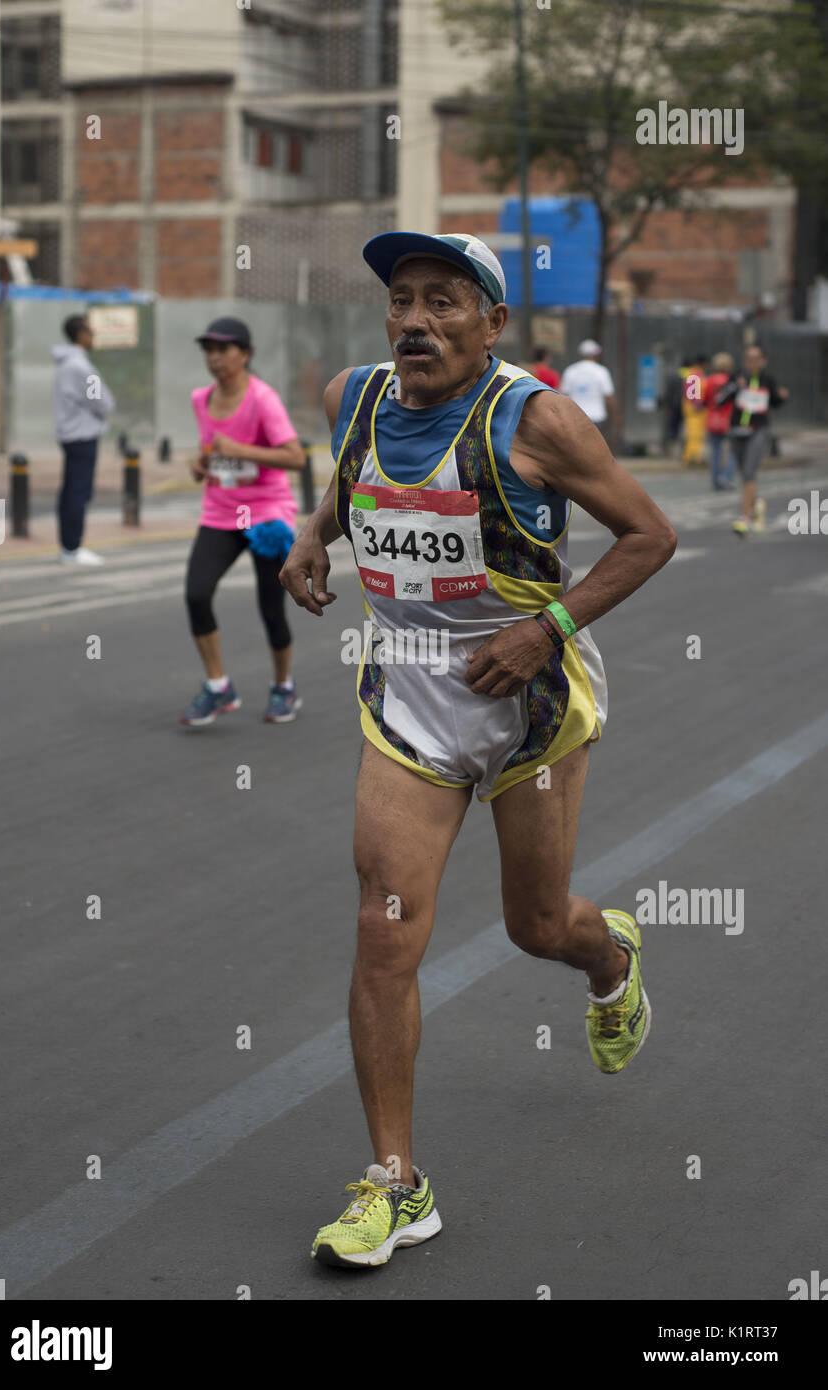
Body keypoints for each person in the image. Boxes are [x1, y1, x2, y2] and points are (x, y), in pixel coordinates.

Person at [280, 231, 676, 1269]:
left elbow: (648, 534)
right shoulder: (351, 398)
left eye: (444, 303)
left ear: (492, 324)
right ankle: (395, 1183)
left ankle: (612, 956)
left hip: (528, 702)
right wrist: (316, 531)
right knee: (382, 927)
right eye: (403, 301)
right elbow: (349, 476)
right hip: (408, 694)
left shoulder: (534, 418)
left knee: (537, 925)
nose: (416, 321)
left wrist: (546, 624)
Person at [180, 315, 306, 727]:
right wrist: (201, 465)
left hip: (266, 513)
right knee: (197, 593)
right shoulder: (201, 398)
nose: (214, 358)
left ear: (245, 354)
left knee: (271, 607)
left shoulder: (262, 399)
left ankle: (283, 686)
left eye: (223, 349)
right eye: (209, 350)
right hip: (220, 510)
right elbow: (213, 452)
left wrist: (242, 449)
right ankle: (218, 687)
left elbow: (295, 457)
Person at [52, 315, 115, 565]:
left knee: (70, 491)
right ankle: (72, 548)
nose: (93, 336)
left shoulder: (67, 364)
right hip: (82, 434)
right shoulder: (80, 366)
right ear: (80, 334)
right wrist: (107, 402)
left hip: (71, 434)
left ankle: (68, 546)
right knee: (78, 492)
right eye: (90, 331)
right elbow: (101, 401)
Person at [714, 343, 789, 536]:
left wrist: (782, 396)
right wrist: (734, 387)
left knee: (749, 473)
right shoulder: (737, 376)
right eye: (748, 359)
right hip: (737, 431)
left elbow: (776, 402)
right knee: (744, 474)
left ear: (763, 361)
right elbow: (719, 400)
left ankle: (744, 519)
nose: (751, 363)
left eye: (755, 359)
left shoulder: (767, 379)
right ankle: (756, 506)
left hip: (758, 431)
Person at [559, 338, 617, 445]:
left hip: (576, 416)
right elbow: (608, 397)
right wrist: (614, 414)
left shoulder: (570, 370)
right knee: (597, 448)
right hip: (597, 416)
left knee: (577, 448)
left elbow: (563, 395)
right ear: (595, 355)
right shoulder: (601, 371)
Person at [703, 352, 735, 490]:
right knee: (734, 451)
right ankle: (726, 477)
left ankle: (716, 480)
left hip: (712, 419)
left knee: (715, 452)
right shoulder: (731, 381)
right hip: (728, 419)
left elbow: (703, 400)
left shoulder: (708, 381)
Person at [680, 352, 709, 468]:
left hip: (698, 409)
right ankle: (691, 457)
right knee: (694, 434)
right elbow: (691, 393)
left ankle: (694, 456)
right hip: (694, 410)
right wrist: (697, 405)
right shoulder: (694, 374)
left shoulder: (698, 374)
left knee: (697, 434)